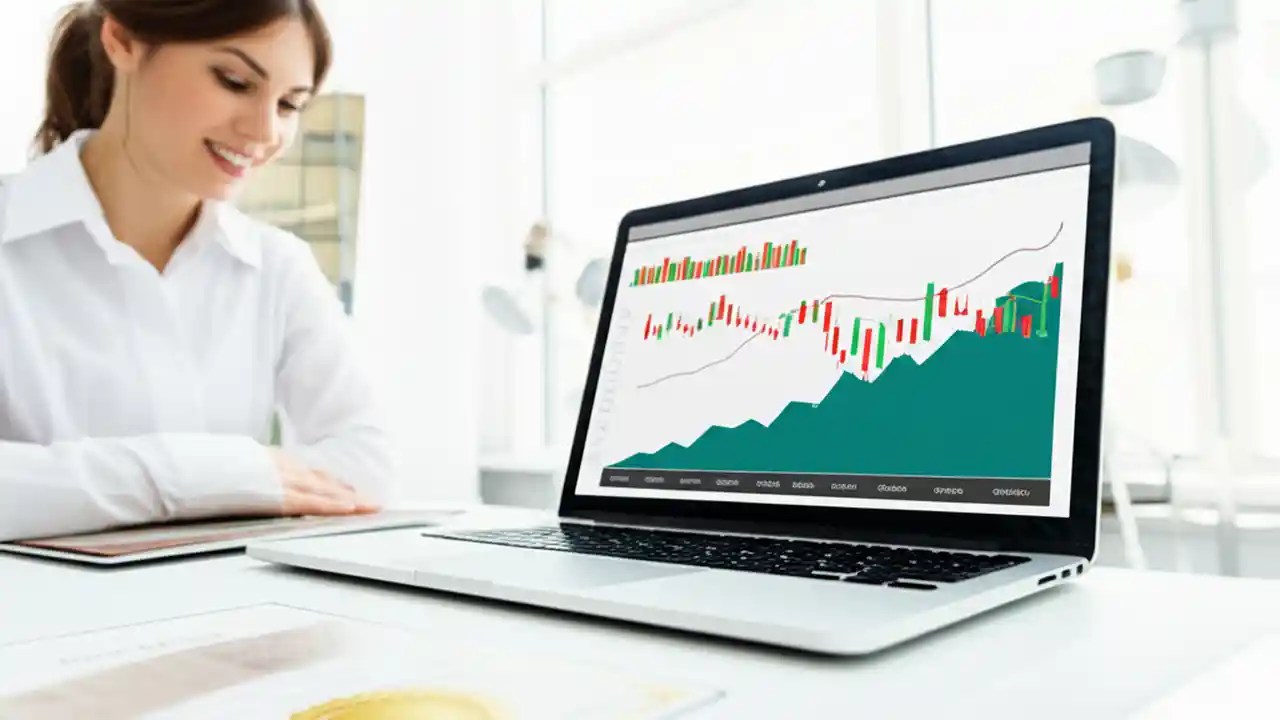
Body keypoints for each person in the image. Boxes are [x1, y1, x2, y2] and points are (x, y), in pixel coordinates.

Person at [0, 0, 393, 542]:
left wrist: (70, 487)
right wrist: (199, 475)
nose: (263, 131)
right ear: (124, 41)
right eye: (234, 81)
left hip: (236, 614)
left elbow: (367, 465)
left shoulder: (278, 267)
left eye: (288, 104)